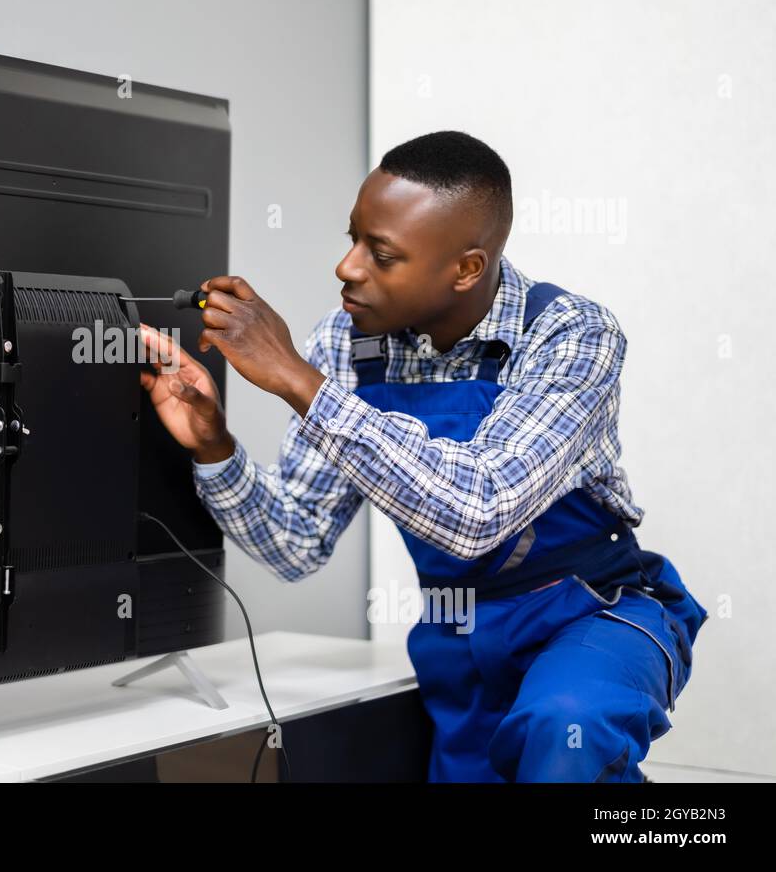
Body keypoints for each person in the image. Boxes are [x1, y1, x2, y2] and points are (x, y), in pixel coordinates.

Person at [137, 130, 707, 782]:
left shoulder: (569, 334)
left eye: (381, 254)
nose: (347, 268)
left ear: (465, 267)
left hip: (593, 617)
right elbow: (294, 543)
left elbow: (480, 509)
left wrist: (297, 380)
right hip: (459, 640)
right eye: (353, 238)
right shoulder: (350, 347)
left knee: (562, 730)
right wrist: (215, 446)